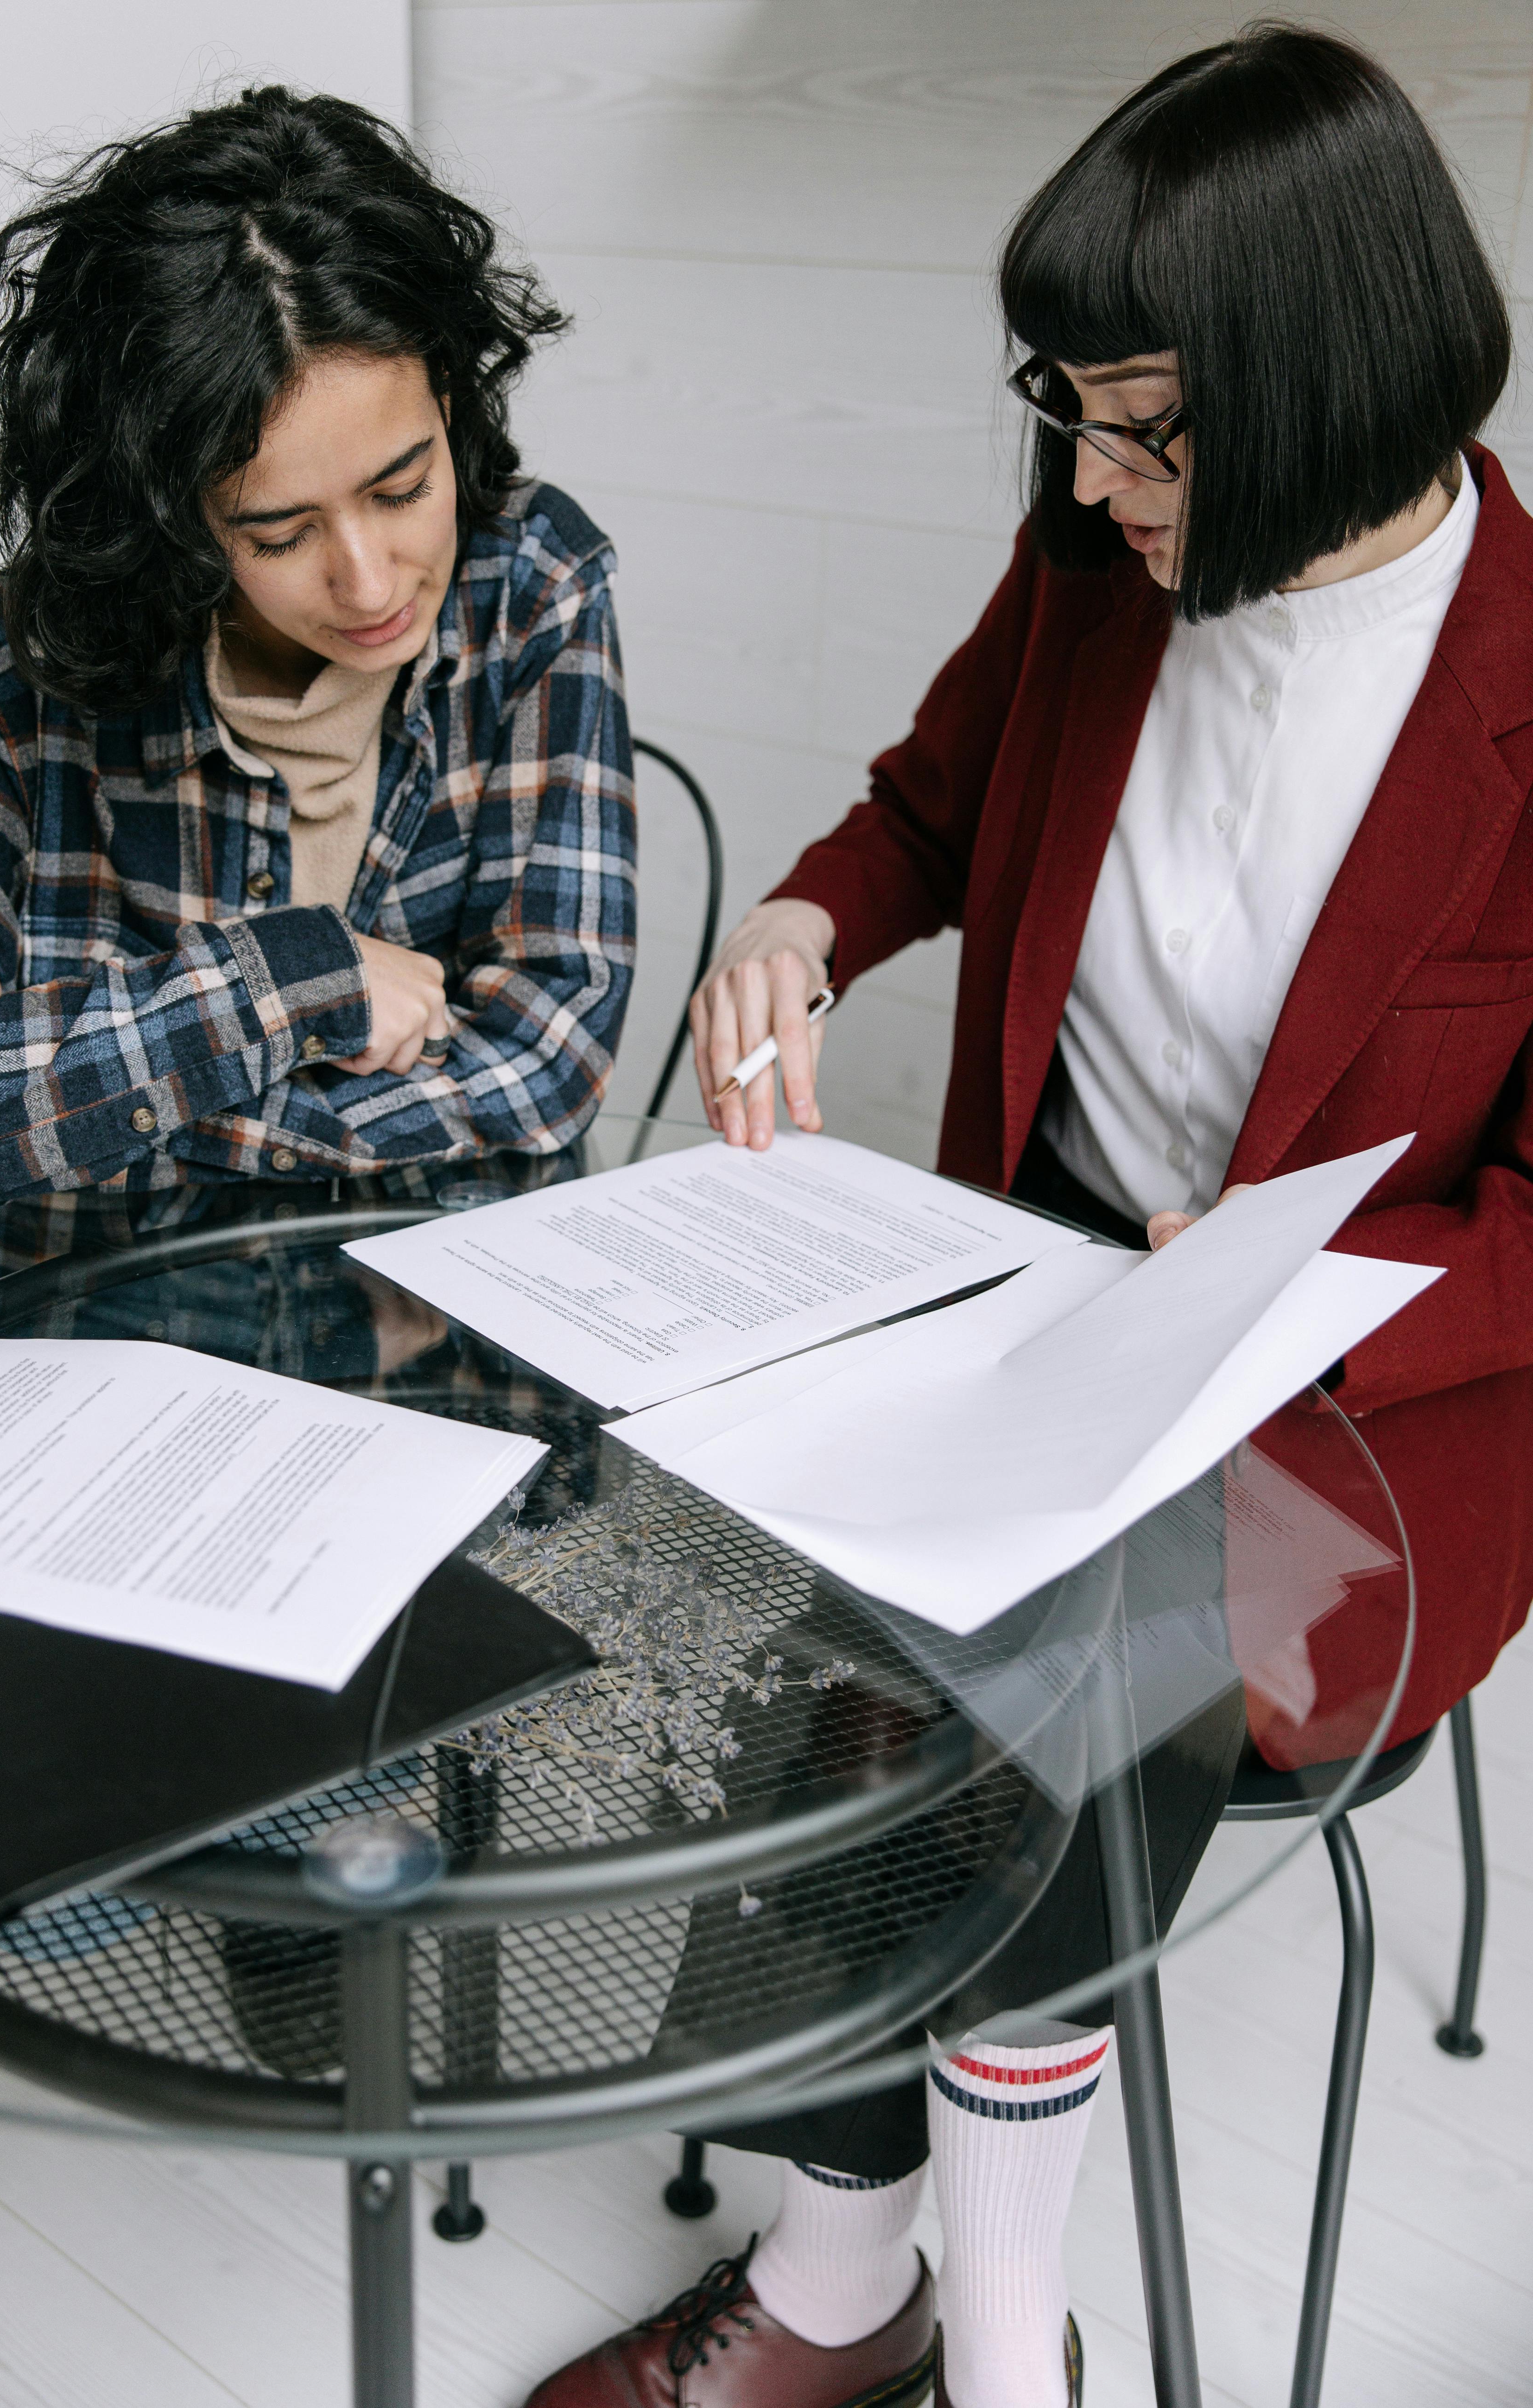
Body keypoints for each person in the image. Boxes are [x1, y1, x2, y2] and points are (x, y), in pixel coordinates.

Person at [527, 25, 1527, 2408]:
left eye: (1145, 423)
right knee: (707, 1581)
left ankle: (939, 2342)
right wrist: (795, 917)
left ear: (1330, 375)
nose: (1088, 475)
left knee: (1018, 1678)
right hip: (1036, 1284)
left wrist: (1269, 1300)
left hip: (1368, 1401)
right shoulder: (1093, 566)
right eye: (1067, 408)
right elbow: (921, 813)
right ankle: (863, 2294)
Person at [0, 89, 633, 1229]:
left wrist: (62, 1076)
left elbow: (549, 1059)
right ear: (169, 512)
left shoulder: (535, 586)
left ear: (451, 403)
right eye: (279, 532)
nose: (370, 582)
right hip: (89, 1357)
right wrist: (286, 985)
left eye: (404, 487)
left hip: (430, 1325)